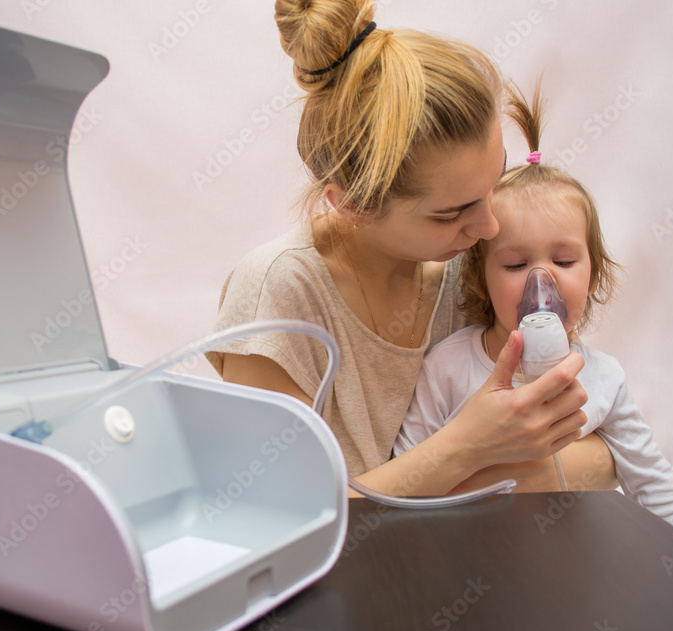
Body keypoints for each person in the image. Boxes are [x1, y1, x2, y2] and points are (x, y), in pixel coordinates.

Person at [206, 0, 618, 497]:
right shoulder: (279, 294)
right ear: (354, 204)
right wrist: (465, 450)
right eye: (452, 213)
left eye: (494, 183)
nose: (489, 227)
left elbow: (604, 457)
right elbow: (283, 519)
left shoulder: (473, 267)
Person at [394, 80, 673, 531]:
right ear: (480, 278)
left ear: (594, 273)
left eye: (564, 260)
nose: (543, 282)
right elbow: (410, 473)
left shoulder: (605, 378)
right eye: (516, 264)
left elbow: (652, 480)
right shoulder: (448, 367)